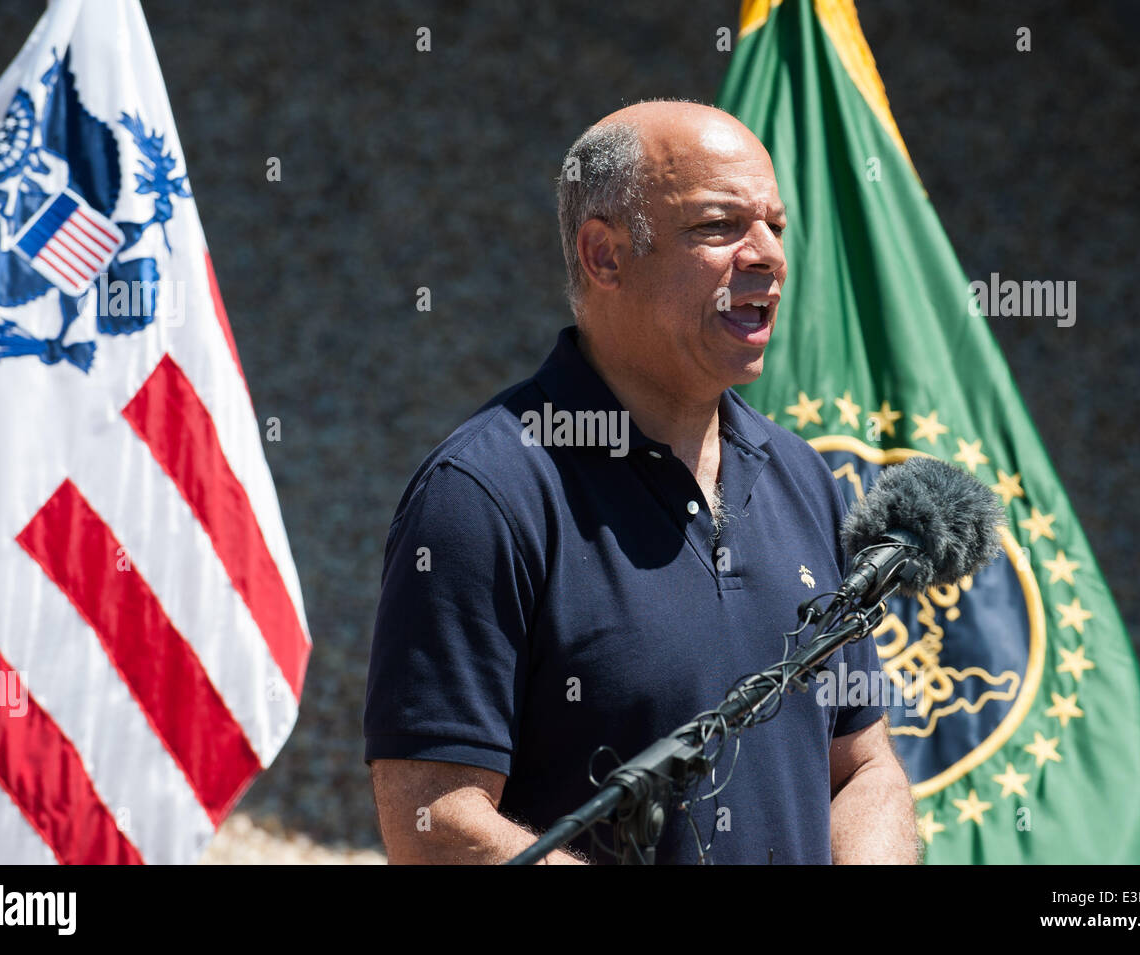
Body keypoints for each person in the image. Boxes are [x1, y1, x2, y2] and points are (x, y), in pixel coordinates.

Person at [364, 100, 917, 864]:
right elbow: (433, 823)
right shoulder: (482, 494)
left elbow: (862, 767)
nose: (767, 255)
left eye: (776, 227)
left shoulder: (804, 478)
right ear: (605, 256)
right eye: (719, 226)